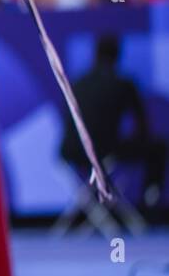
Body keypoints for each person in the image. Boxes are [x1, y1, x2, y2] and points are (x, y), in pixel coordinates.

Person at [61, 35, 166, 208]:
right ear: (118, 56)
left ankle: (108, 197)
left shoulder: (78, 83)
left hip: (70, 150)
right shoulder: (123, 84)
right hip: (104, 150)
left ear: (95, 54)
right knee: (158, 148)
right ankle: (151, 200)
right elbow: (142, 125)